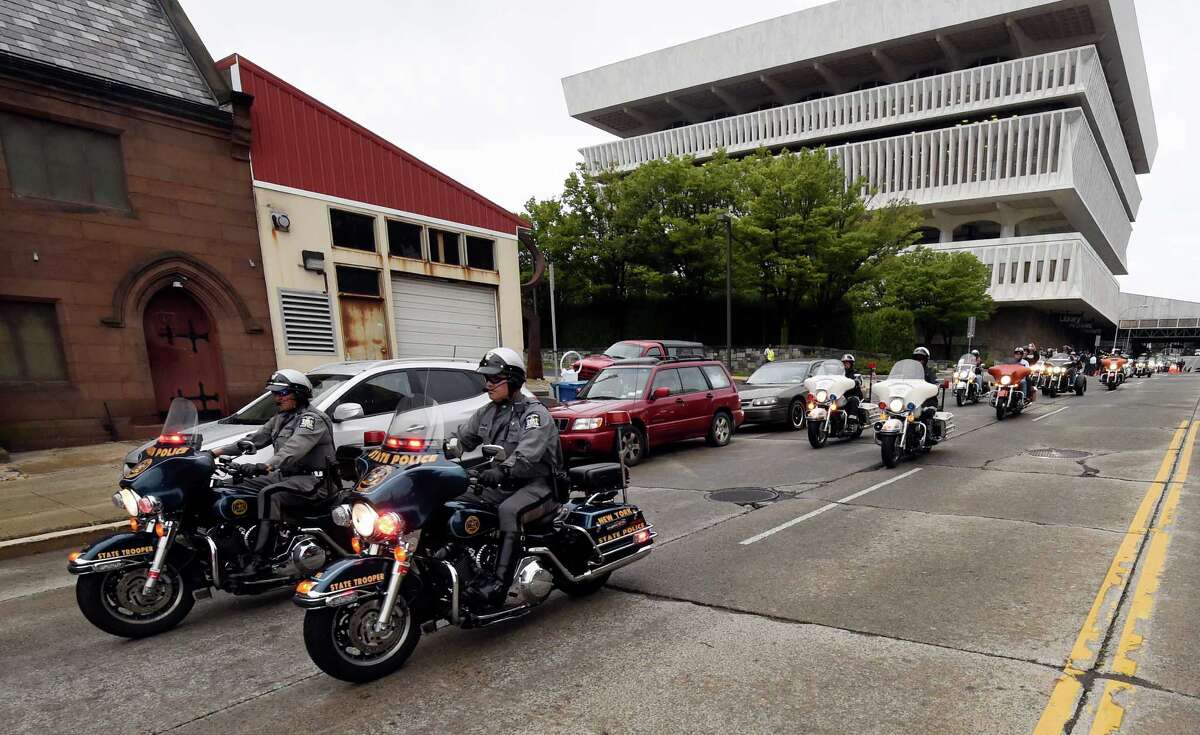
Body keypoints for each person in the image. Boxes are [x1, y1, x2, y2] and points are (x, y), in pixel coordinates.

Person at [444, 347, 562, 608]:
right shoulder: (487, 412)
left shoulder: (533, 414)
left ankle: (498, 584)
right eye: (486, 378)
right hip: (502, 483)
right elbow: (463, 438)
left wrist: (502, 470)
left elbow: (527, 455)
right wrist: (442, 450)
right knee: (452, 502)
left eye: (494, 379)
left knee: (509, 511)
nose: (488, 384)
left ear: (513, 379)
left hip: (539, 484)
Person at [212, 370, 335, 572]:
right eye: (275, 394)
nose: (277, 398)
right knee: (232, 486)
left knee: (270, 495)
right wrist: (212, 453)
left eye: (283, 393)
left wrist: (266, 466)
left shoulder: (312, 420)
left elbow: (293, 449)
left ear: (299, 393)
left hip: (314, 481)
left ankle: (261, 559)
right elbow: (254, 440)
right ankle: (239, 543)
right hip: (285, 476)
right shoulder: (281, 418)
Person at [840, 353, 866, 423]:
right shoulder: (840, 374)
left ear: (851, 364)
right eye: (844, 363)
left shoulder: (855, 373)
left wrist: (856, 382)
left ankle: (852, 419)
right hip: (841, 395)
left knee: (853, 400)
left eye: (847, 363)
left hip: (853, 394)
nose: (845, 365)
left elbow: (859, 380)